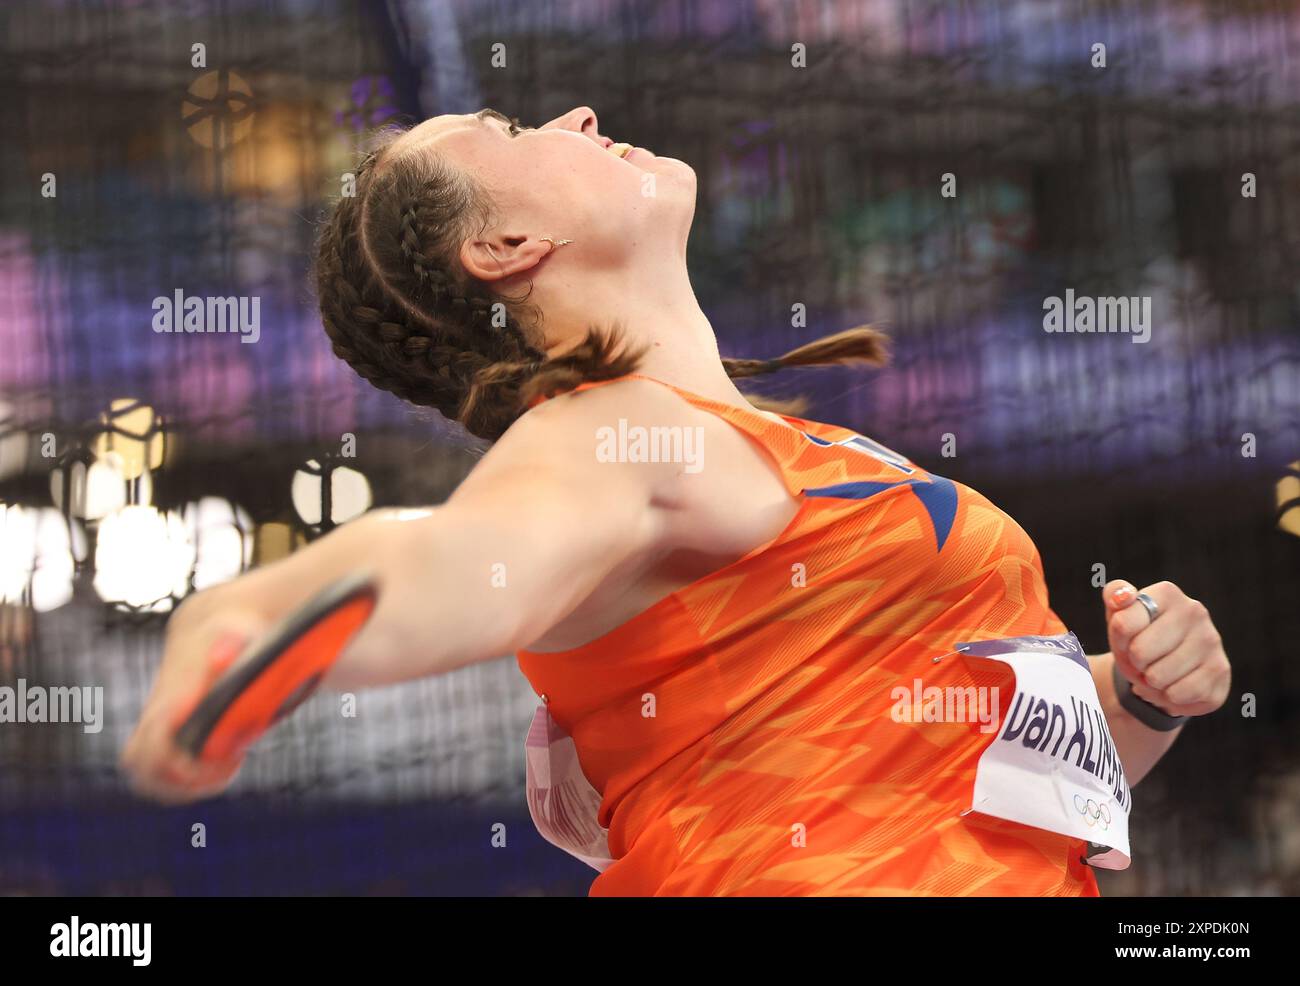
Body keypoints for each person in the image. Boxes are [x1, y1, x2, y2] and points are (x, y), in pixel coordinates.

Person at [121, 107, 1232, 896]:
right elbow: (471, 563)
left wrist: (1138, 699)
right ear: (509, 245)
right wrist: (265, 618)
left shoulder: (792, 447)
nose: (579, 112)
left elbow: (968, 766)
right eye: (515, 131)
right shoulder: (615, 434)